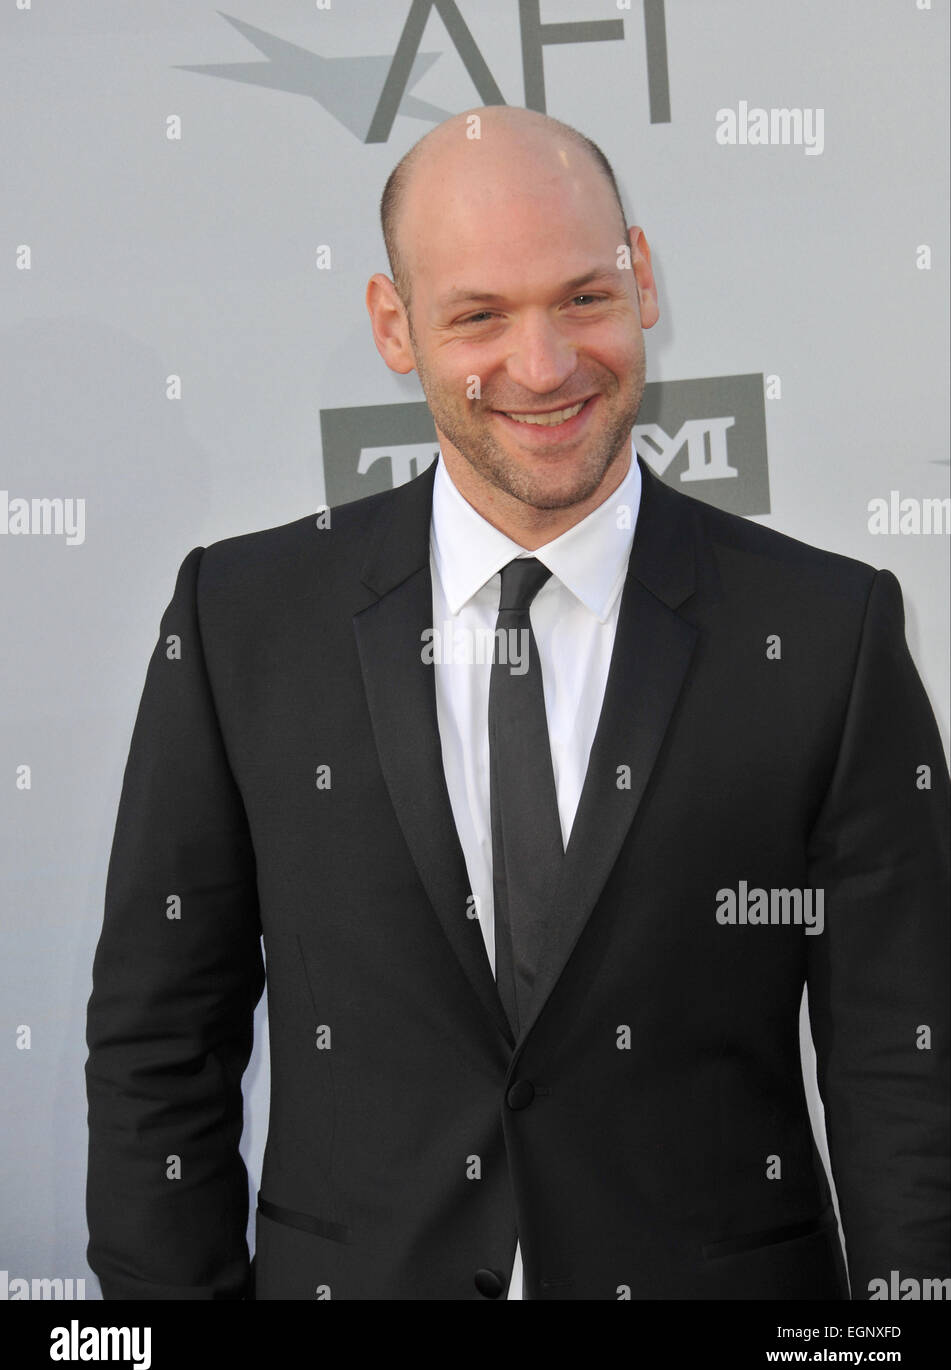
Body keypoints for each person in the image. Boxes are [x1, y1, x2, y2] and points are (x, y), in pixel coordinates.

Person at [85, 105, 950, 1301]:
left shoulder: (824, 634)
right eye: (480, 315)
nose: (543, 367)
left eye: (583, 299)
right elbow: (156, 1045)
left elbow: (907, 1068)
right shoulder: (242, 620)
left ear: (642, 279)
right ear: (397, 326)